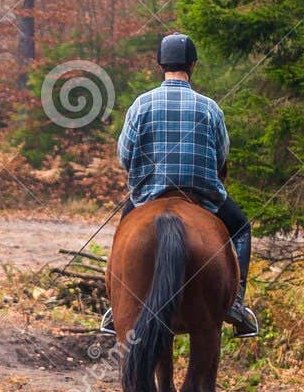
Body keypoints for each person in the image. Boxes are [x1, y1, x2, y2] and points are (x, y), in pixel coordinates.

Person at [103, 33, 259, 337]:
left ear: (160, 64)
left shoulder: (140, 105)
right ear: (192, 64)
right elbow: (222, 155)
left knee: (124, 234)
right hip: (202, 197)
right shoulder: (210, 108)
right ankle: (236, 303)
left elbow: (124, 156)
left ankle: (115, 306)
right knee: (240, 229)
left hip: (148, 197)